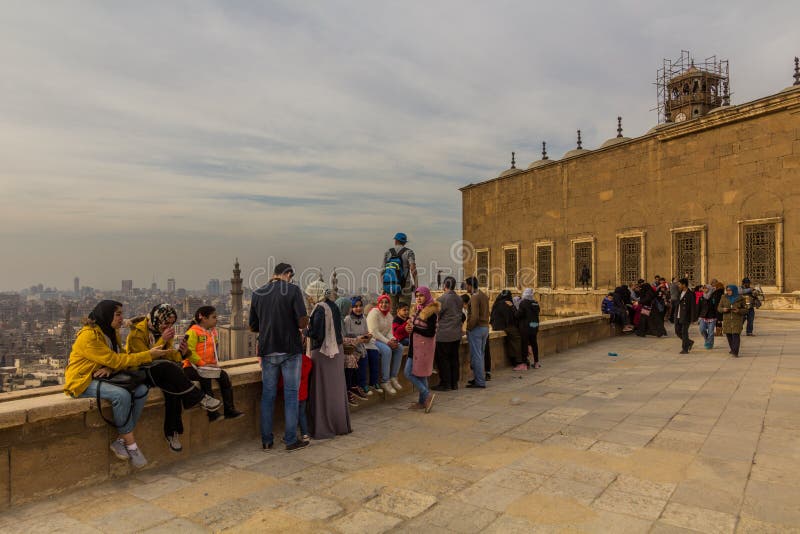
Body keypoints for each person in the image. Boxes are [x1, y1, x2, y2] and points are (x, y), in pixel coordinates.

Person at [65, 300, 169, 469]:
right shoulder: (89, 336)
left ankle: (121, 439)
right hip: (82, 380)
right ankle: (131, 445)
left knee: (142, 390)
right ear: (106, 315)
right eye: (118, 314)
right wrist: (148, 354)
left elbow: (115, 356)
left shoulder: (110, 332)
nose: (121, 318)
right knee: (121, 395)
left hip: (102, 376)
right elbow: (116, 359)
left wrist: (109, 367)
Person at [127, 303, 222, 453]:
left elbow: (170, 355)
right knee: (169, 367)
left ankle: (172, 433)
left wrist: (182, 353)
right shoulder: (137, 333)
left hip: (162, 371)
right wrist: (163, 340)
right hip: (142, 371)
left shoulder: (162, 331)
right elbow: (144, 359)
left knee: (172, 390)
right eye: (166, 323)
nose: (168, 326)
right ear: (157, 319)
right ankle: (199, 397)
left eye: (171, 323)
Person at [249, 262, 310, 452]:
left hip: (267, 350)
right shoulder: (292, 290)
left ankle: (267, 440)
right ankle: (291, 440)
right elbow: (301, 322)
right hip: (290, 349)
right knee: (291, 395)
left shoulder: (258, 293)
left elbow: (253, 326)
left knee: (268, 396)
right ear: (288, 274)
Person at [305, 280, 352, 439]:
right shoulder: (333, 305)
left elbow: (317, 334)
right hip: (336, 351)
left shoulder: (319, 309)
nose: (309, 298)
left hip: (323, 353)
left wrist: (304, 332)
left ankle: (324, 426)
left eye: (310, 295)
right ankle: (339, 425)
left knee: (322, 390)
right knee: (335, 390)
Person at [183, 306, 244, 422]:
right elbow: (189, 352)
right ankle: (212, 413)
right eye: (214, 317)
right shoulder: (193, 332)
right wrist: (202, 364)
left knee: (224, 378)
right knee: (206, 380)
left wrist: (213, 364)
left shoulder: (213, 332)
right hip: (191, 367)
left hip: (208, 367)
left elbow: (214, 349)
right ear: (204, 318)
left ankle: (229, 409)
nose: (216, 320)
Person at [404, 286, 439, 412]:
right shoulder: (418, 309)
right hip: (415, 346)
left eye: (421, 296)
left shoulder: (430, 312)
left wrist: (414, 328)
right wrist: (408, 328)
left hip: (423, 348)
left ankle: (426, 394)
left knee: (408, 372)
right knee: (421, 375)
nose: (418, 298)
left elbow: (430, 332)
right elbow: (413, 326)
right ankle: (422, 402)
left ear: (427, 296)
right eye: (417, 296)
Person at [367, 294, 404, 394]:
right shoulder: (374, 313)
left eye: (386, 302)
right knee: (387, 351)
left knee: (399, 347)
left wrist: (393, 340)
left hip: (383, 340)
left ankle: (393, 377)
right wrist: (388, 342)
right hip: (373, 340)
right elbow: (374, 332)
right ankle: (385, 380)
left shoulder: (389, 315)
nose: (384, 304)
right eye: (382, 302)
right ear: (378, 303)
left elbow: (389, 332)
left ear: (389, 304)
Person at [433, 276, 463, 391]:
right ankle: (454, 383)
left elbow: (437, 315)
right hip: (456, 334)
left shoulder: (442, 299)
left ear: (444, 285)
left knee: (443, 359)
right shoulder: (459, 299)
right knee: (454, 358)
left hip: (444, 335)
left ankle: (445, 384)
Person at [344, 296, 379, 396]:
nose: (358, 308)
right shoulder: (348, 319)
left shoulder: (363, 318)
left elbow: (366, 332)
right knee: (361, 357)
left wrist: (368, 336)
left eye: (360, 306)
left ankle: (372, 382)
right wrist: (360, 338)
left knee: (373, 353)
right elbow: (347, 335)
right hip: (352, 346)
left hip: (363, 343)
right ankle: (360, 384)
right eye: (355, 306)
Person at [336, 297, 365, 406]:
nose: (349, 310)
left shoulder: (341, 319)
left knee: (360, 354)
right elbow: (341, 339)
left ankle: (354, 386)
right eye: (349, 307)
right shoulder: (338, 320)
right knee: (351, 358)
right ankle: (348, 389)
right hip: (337, 350)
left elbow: (345, 335)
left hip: (344, 347)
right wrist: (357, 340)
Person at [381, 232, 417, 312]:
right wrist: (416, 285)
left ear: (395, 241)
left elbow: (382, 271)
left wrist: (384, 286)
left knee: (392, 311)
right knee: (404, 310)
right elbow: (413, 269)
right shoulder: (409, 252)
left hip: (391, 285)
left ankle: (394, 324)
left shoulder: (388, 252)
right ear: (404, 242)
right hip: (405, 285)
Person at [464, 276, 489, 388]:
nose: (466, 288)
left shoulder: (474, 297)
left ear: (470, 285)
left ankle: (479, 381)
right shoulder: (483, 295)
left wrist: (468, 328)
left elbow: (474, 316)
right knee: (481, 355)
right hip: (485, 328)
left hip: (477, 329)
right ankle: (479, 378)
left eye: (466, 285)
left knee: (477, 356)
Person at [490, 290, 523, 371]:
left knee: (512, 339)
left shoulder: (498, 302)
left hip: (497, 325)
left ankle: (514, 360)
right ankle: (520, 361)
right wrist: (512, 307)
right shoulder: (506, 303)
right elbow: (513, 316)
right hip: (503, 325)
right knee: (517, 338)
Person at [718, 284, 747, 357]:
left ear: (734, 290)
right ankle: (732, 349)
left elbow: (746, 310)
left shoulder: (741, 298)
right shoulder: (723, 297)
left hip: (737, 320)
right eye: (727, 290)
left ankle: (735, 352)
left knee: (735, 335)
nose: (728, 292)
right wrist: (723, 309)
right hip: (727, 320)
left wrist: (739, 310)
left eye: (730, 290)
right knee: (729, 335)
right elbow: (719, 308)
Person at [518, 288, 541, 368]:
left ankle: (524, 364)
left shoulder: (523, 303)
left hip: (526, 327)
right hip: (534, 326)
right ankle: (536, 363)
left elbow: (519, 315)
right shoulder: (535, 303)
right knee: (534, 344)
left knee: (524, 344)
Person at [697, 283, 723, 349]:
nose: (704, 290)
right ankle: (707, 339)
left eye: (706, 288)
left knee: (711, 332)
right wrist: (697, 316)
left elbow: (716, 307)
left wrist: (718, 317)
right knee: (702, 329)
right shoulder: (701, 297)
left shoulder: (714, 297)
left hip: (712, 316)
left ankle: (710, 344)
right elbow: (699, 307)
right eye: (704, 288)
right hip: (703, 316)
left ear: (709, 289)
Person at [675, 278, 696, 354]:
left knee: (684, 332)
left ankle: (685, 349)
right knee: (677, 331)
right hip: (678, 315)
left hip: (686, 316)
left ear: (684, 285)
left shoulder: (690, 294)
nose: (678, 285)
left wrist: (693, 318)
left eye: (679, 284)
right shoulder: (679, 292)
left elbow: (693, 306)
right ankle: (689, 342)